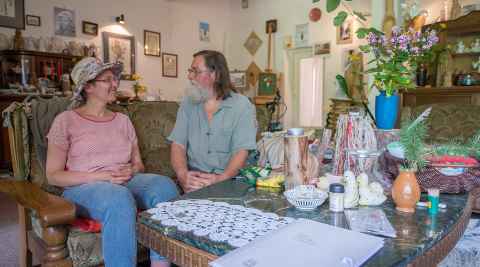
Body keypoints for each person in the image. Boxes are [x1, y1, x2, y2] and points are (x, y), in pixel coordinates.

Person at [46, 57, 178, 267]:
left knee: (165, 186)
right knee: (118, 198)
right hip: (84, 187)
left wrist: (131, 169)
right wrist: (102, 176)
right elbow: (53, 175)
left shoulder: (123, 120)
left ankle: (160, 264)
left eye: (115, 79)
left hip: (126, 181)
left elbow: (139, 165)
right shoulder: (66, 120)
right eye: (107, 80)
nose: (115, 84)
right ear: (88, 86)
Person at [168, 50, 257, 193]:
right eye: (190, 70)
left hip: (229, 180)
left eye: (196, 71)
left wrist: (221, 179)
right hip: (194, 180)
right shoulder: (188, 103)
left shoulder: (242, 106)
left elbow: (242, 151)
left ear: (215, 75)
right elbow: (178, 145)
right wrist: (183, 175)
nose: (189, 76)